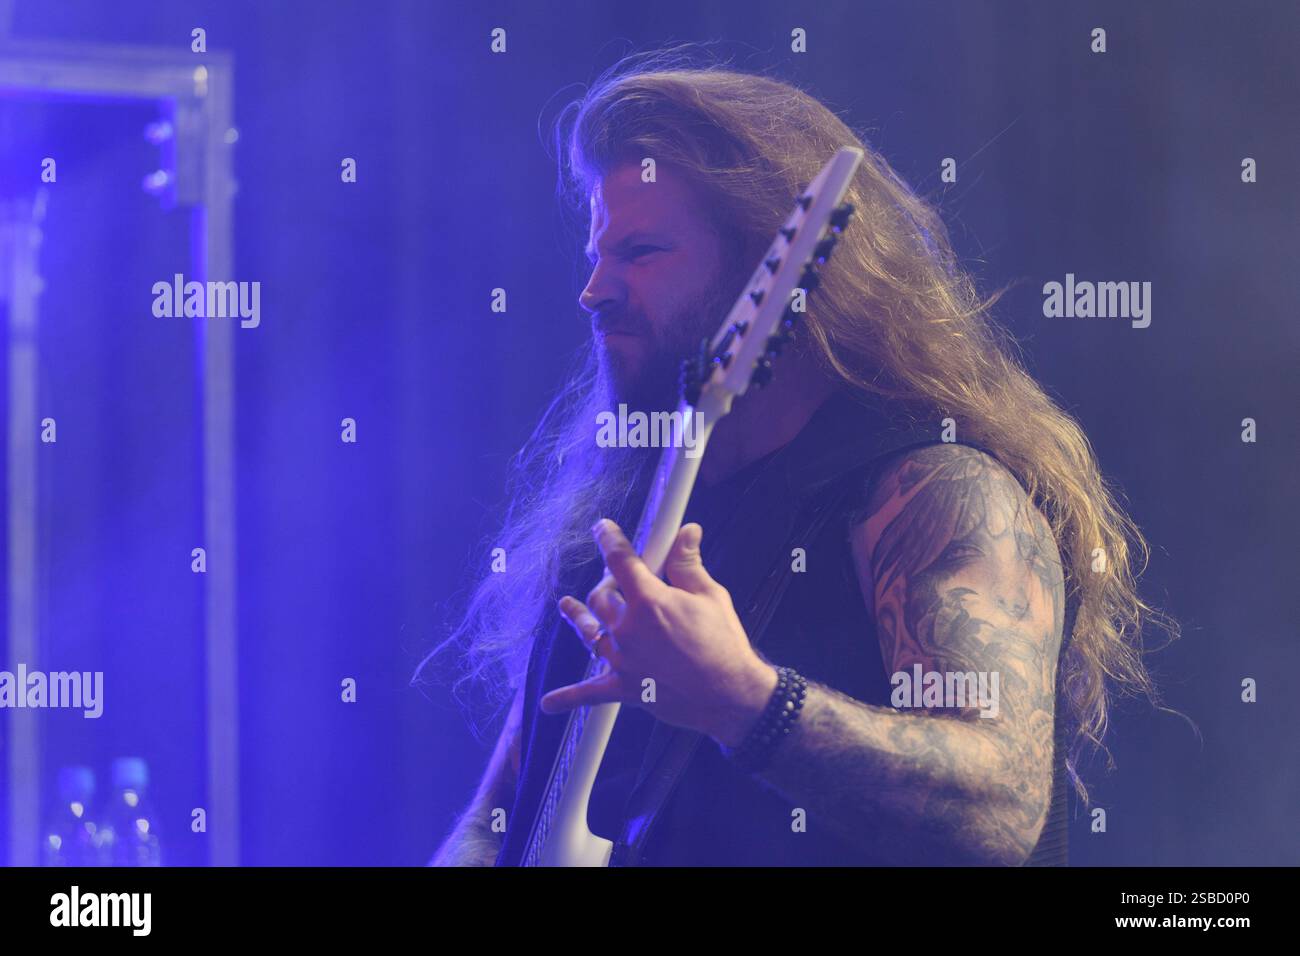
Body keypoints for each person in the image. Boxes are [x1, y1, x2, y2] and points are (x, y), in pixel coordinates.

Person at [425, 51, 1168, 866]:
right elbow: (498, 815)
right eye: (597, 254)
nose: (594, 288)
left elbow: (1000, 807)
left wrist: (741, 698)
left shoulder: (934, 491)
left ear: (763, 274)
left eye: (640, 253)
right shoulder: (623, 523)